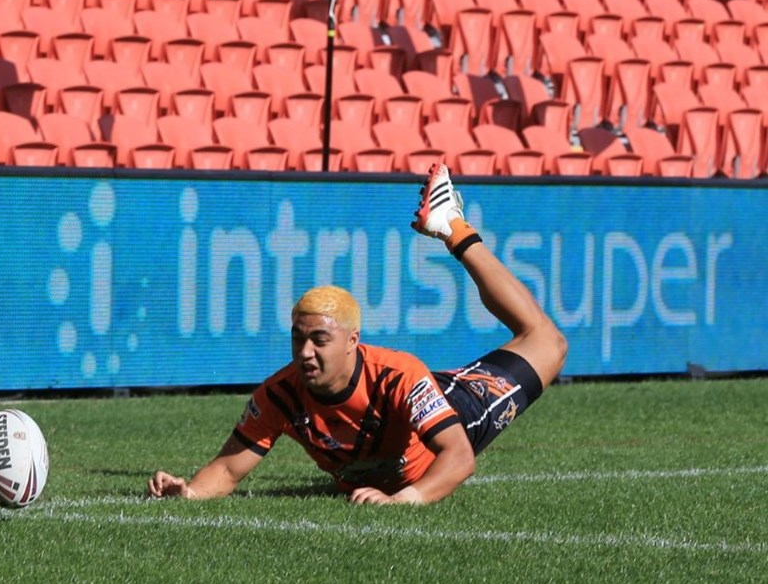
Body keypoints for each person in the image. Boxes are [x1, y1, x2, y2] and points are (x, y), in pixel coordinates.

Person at [148, 163, 568, 505]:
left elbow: (458, 458)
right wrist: (187, 492)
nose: (306, 352)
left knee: (547, 341)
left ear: (353, 341)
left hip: (448, 406)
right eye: (298, 338)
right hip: (400, 422)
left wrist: (407, 499)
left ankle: (451, 226)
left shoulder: (398, 376)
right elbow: (226, 470)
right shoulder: (279, 394)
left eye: (320, 340)